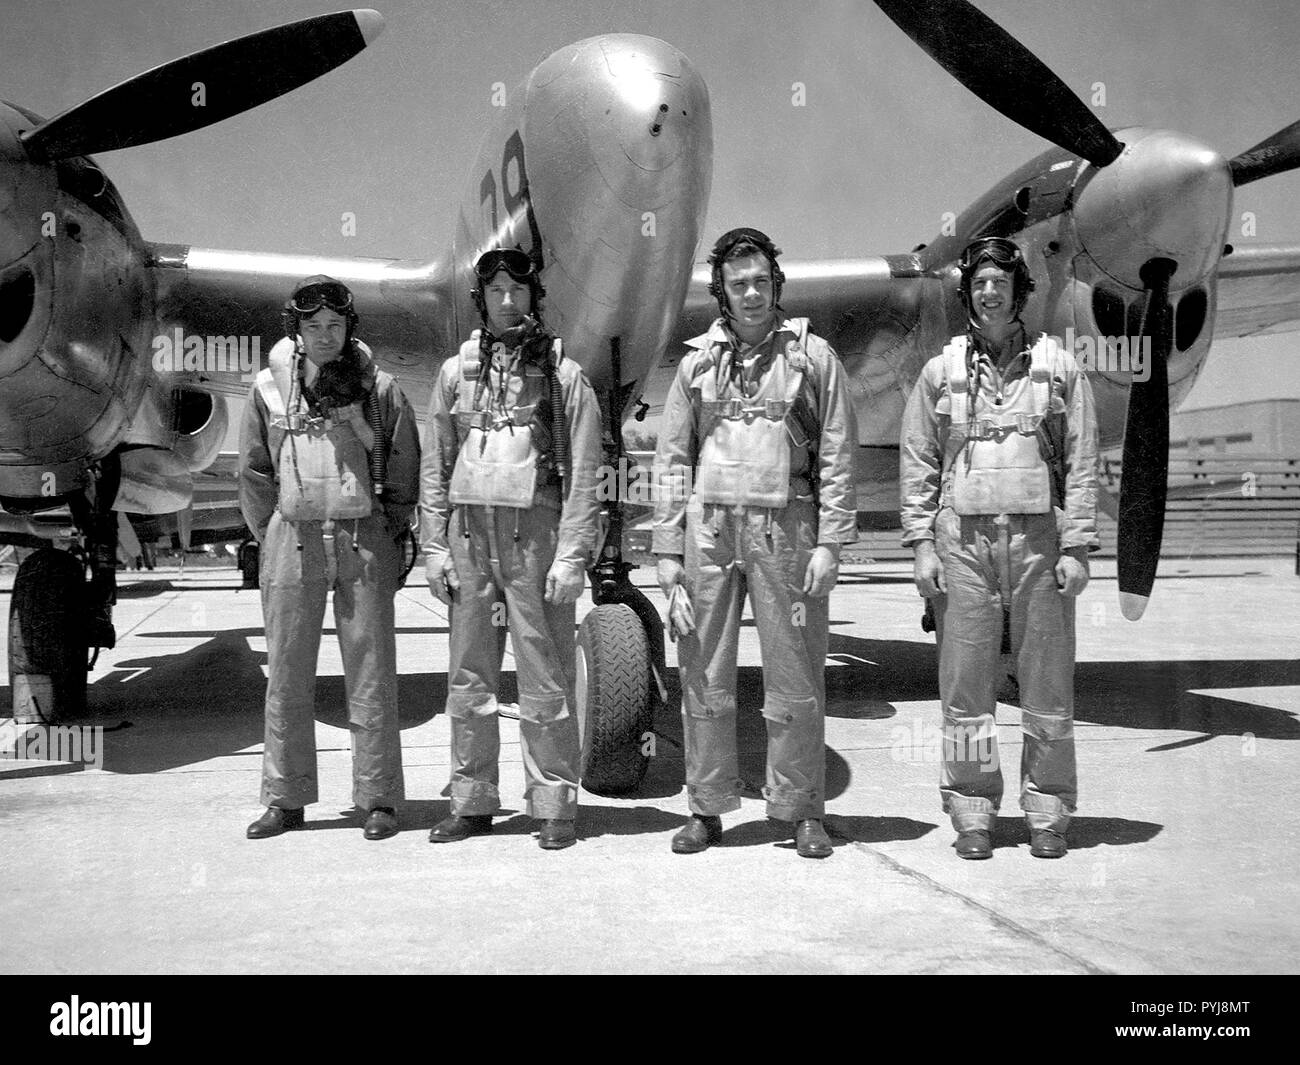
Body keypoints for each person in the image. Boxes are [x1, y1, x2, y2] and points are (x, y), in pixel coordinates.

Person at [652, 227, 858, 859]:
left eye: (760, 282)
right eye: (737, 284)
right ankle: (706, 809)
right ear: (721, 291)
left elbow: (838, 456)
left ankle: (800, 809)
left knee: (794, 674)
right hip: (710, 534)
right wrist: (666, 555)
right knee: (704, 672)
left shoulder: (812, 360)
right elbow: (671, 460)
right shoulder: (695, 365)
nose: (750, 294)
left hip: (786, 528)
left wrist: (831, 543)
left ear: (776, 286)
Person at [900, 236, 1099, 860]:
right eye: (980, 282)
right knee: (965, 693)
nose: (990, 292)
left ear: (1019, 293)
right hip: (963, 543)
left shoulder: (1061, 369)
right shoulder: (940, 373)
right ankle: (973, 814)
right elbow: (919, 462)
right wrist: (922, 547)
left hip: (1040, 540)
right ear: (968, 293)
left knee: (1047, 688)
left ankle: (1047, 812)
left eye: (1001, 282)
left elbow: (1083, 462)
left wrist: (1078, 548)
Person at [419, 248, 601, 851]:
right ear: (481, 300)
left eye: (517, 291)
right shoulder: (454, 376)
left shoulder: (565, 379)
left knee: (543, 675)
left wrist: (573, 556)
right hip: (470, 538)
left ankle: (553, 804)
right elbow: (436, 466)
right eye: (495, 291)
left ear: (533, 299)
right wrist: (433, 548)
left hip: (537, 541)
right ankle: (471, 801)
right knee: (469, 677)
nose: (506, 301)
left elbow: (584, 476)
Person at [239, 275, 420, 840]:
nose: (324, 337)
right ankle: (285, 799)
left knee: (372, 671)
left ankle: (379, 798)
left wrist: (387, 532)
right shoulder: (267, 391)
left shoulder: (381, 388)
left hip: (363, 539)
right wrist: (272, 531)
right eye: (313, 327)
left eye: (334, 327)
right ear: (297, 330)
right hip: (291, 539)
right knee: (287, 673)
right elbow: (253, 472)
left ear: (348, 329)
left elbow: (403, 466)